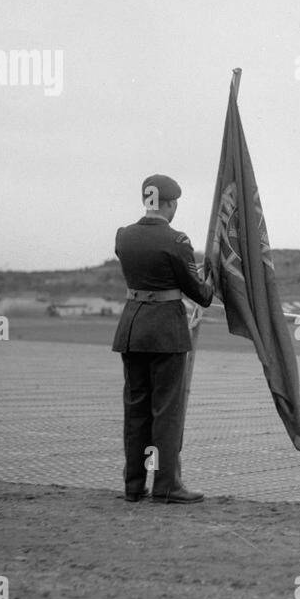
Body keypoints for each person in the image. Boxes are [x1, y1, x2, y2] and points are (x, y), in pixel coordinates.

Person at [111, 174, 213, 503]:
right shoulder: (177, 241)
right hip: (166, 332)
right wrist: (210, 277)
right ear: (167, 204)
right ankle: (167, 484)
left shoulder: (123, 236)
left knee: (136, 409)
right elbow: (200, 293)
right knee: (165, 411)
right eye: (175, 205)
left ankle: (133, 484)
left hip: (132, 329)